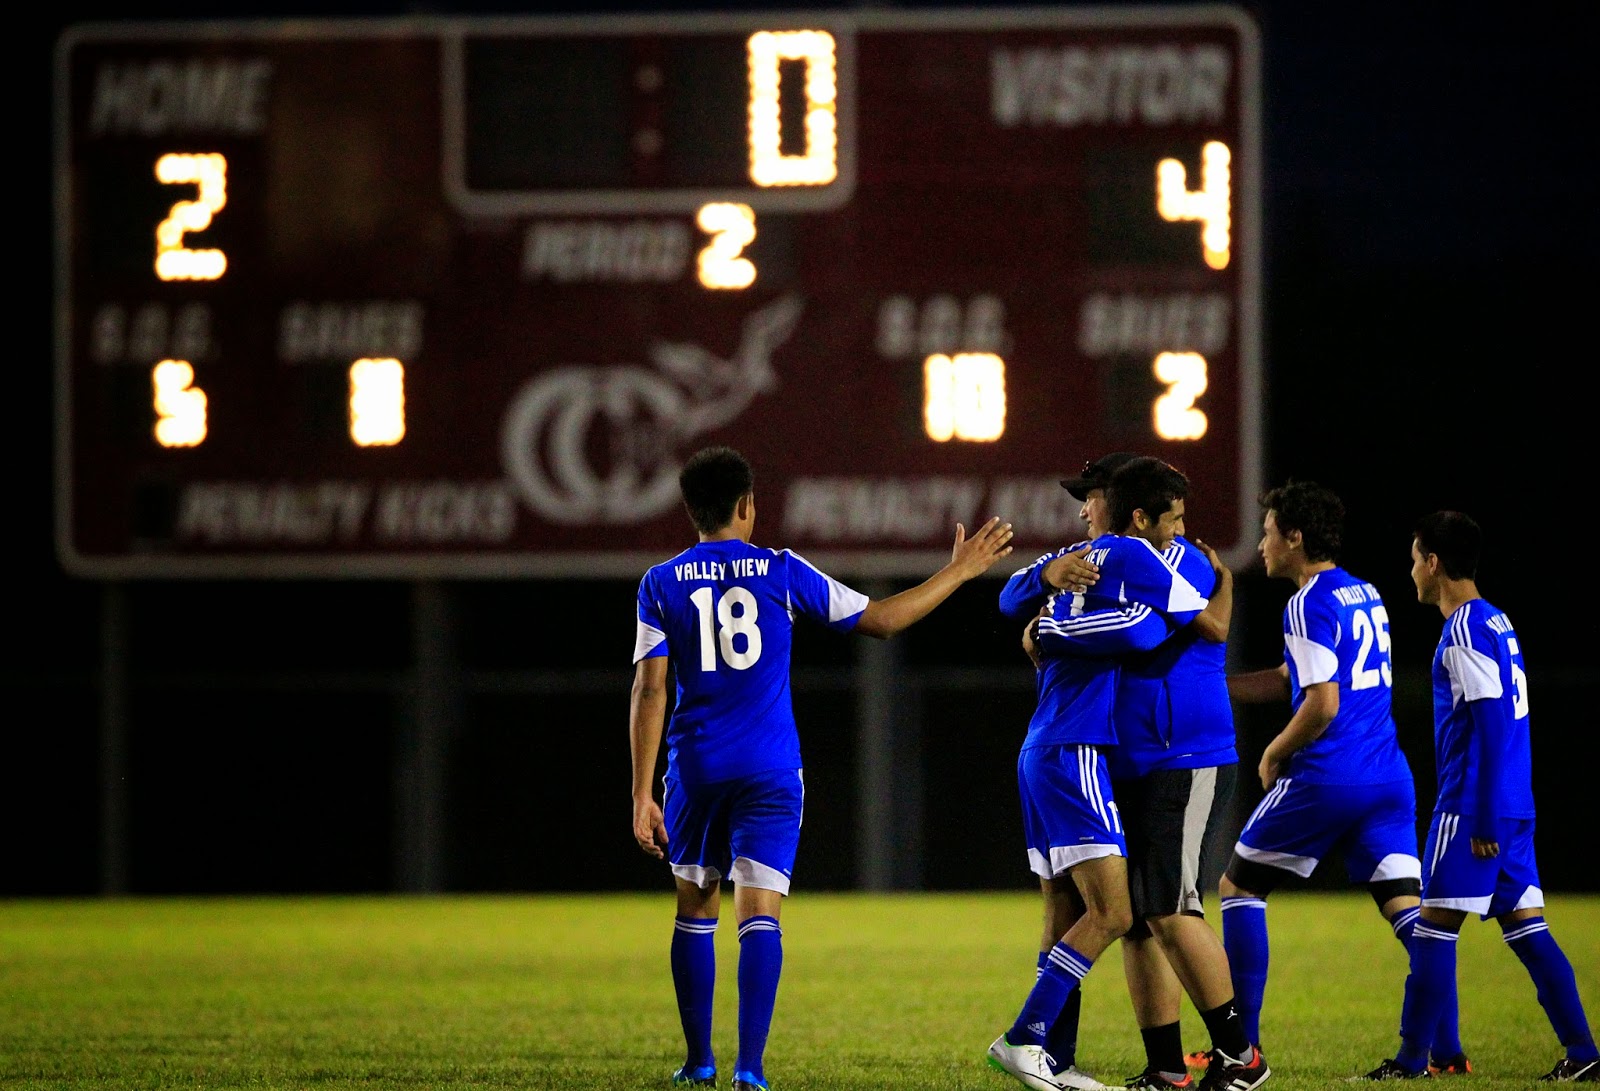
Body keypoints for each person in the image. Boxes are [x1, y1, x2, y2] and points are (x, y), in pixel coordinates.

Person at [628, 445, 1015, 1091]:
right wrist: (959, 571)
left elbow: (649, 689)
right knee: (761, 913)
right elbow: (884, 620)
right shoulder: (781, 570)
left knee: (695, 905)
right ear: (748, 507)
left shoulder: (661, 581)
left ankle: (699, 1062)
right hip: (770, 768)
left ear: (692, 511)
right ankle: (749, 1068)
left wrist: (642, 792)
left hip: (695, 766)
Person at [989, 458, 1267, 1091]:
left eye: (1089, 499)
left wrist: (1050, 628)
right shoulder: (1091, 558)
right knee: (1128, 915)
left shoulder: (1171, 559)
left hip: (1178, 751)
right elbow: (1013, 597)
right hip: (1109, 752)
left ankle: (1239, 1053)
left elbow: (1192, 626)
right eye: (1174, 516)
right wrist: (1044, 579)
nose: (1082, 510)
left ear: (1118, 506)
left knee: (1162, 907)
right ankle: (1160, 1067)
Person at [1218, 482, 1462, 1070]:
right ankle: (1447, 1052)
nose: (1263, 544)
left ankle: (1240, 1046)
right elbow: (1294, 675)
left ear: (1296, 538)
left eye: (1270, 532)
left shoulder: (1304, 601)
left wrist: (1276, 749)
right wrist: (1217, 689)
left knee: (1238, 888)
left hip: (1328, 775)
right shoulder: (1364, 591)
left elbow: (1322, 702)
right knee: (1413, 914)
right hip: (1387, 777)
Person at [1363, 511, 1598, 1081]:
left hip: (1475, 807)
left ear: (1434, 563)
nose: (1412, 571)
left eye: (1415, 558)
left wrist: (1483, 814)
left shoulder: (1465, 627)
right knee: (1529, 931)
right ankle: (1584, 1053)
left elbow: (1492, 723)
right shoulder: (1497, 621)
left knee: (1432, 929)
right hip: (1513, 801)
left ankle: (1412, 1060)